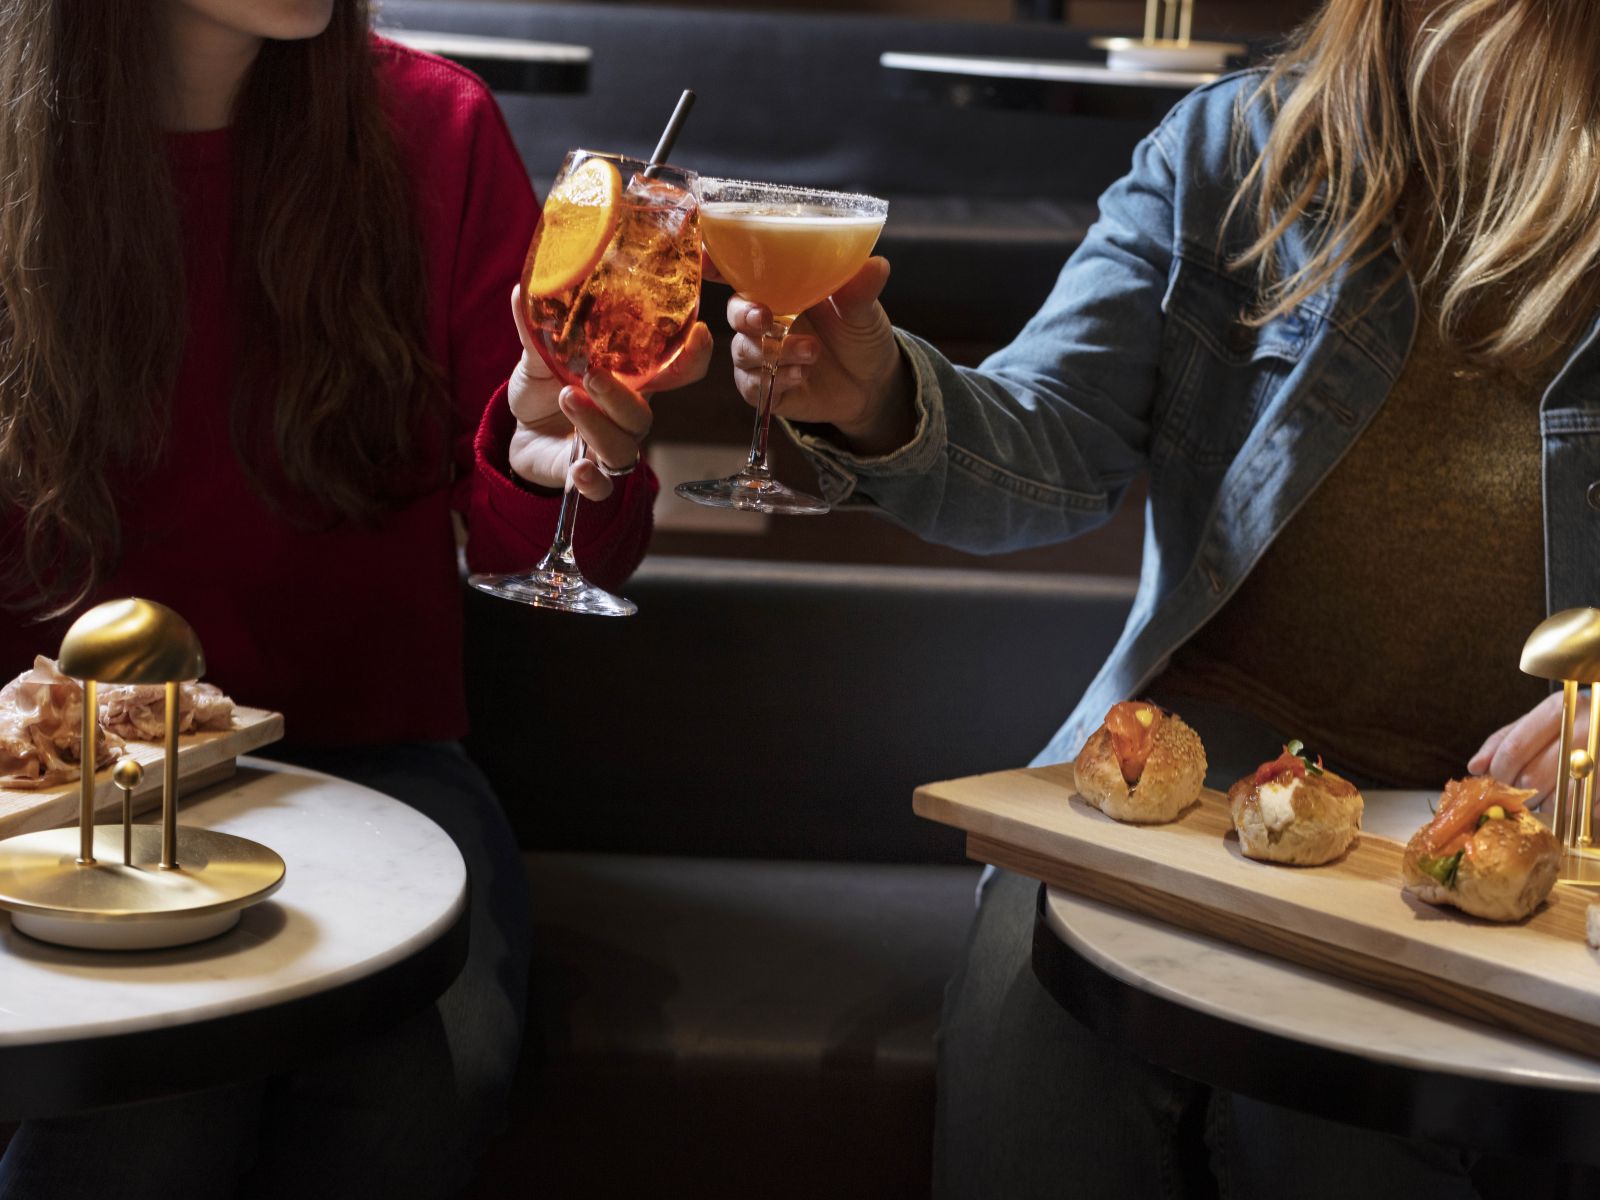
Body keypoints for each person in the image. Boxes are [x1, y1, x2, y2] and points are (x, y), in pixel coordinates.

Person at [721, 0, 1600, 1195]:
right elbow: (1052, 445)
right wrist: (875, 396)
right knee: (1031, 1018)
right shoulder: (1237, 150)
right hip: (1223, 755)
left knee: (1332, 1132)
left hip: (1549, 811)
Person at [0, 1, 708, 1196]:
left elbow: (534, 530)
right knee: (146, 1105)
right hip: (32, 803)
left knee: (426, 1073)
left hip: (366, 769)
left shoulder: (434, 127)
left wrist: (559, 464)